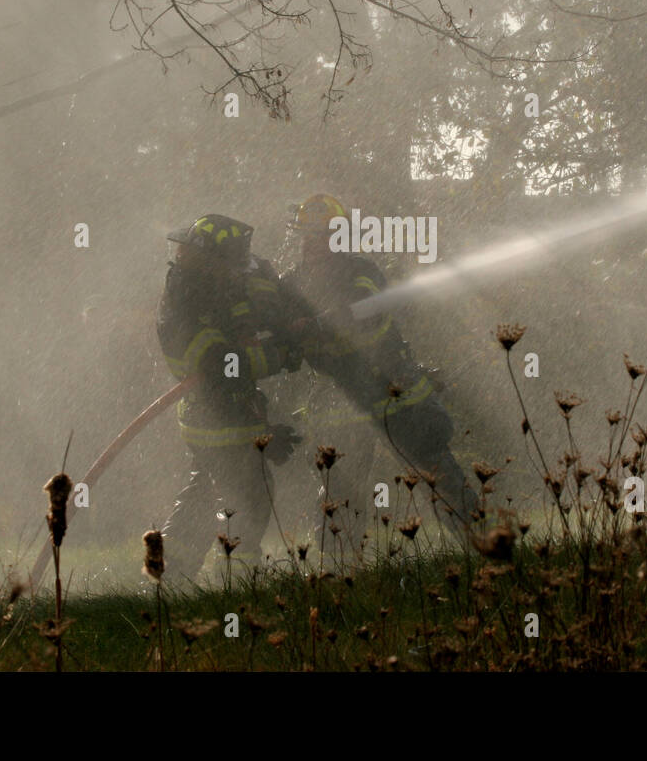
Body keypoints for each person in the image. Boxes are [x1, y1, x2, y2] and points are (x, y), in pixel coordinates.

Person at [280, 193, 474, 551]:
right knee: (340, 484)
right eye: (305, 236)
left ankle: (486, 544)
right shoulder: (292, 283)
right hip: (341, 395)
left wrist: (318, 325)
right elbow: (281, 325)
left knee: (434, 467)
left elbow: (365, 311)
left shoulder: (361, 271)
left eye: (321, 235)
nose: (311, 244)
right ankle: (337, 571)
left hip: (391, 386)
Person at [155, 213, 302, 583]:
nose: (239, 270)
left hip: (218, 412)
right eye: (233, 262)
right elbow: (226, 367)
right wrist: (280, 356)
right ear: (213, 259)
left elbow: (244, 328)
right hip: (218, 419)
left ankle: (170, 575)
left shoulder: (208, 288)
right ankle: (232, 578)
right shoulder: (192, 299)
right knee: (249, 498)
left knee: (207, 491)